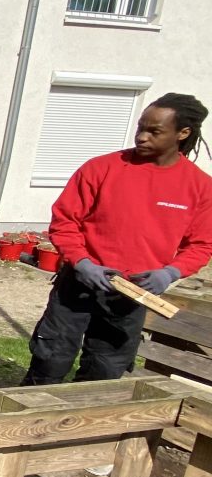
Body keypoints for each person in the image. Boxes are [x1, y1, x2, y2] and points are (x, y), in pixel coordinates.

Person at [20, 93, 212, 387]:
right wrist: (82, 263)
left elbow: (201, 245)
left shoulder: (199, 187)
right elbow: (64, 220)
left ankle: (84, 426)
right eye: (140, 128)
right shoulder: (102, 168)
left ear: (182, 134)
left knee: (105, 370)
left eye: (154, 131)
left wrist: (170, 272)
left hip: (132, 293)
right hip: (80, 284)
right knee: (51, 358)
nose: (142, 137)